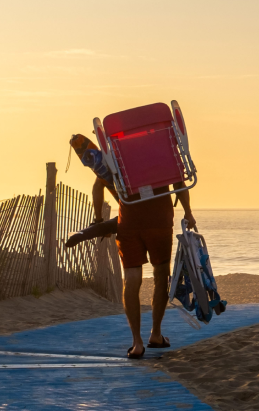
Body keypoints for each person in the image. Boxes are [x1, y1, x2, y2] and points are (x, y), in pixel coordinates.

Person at [77, 136, 196, 359]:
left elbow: (98, 184)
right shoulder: (164, 152)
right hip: (159, 220)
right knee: (161, 274)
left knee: (131, 280)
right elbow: (180, 183)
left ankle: (137, 343)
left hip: (129, 220)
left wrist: (98, 218)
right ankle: (156, 335)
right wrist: (188, 212)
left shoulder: (117, 158)